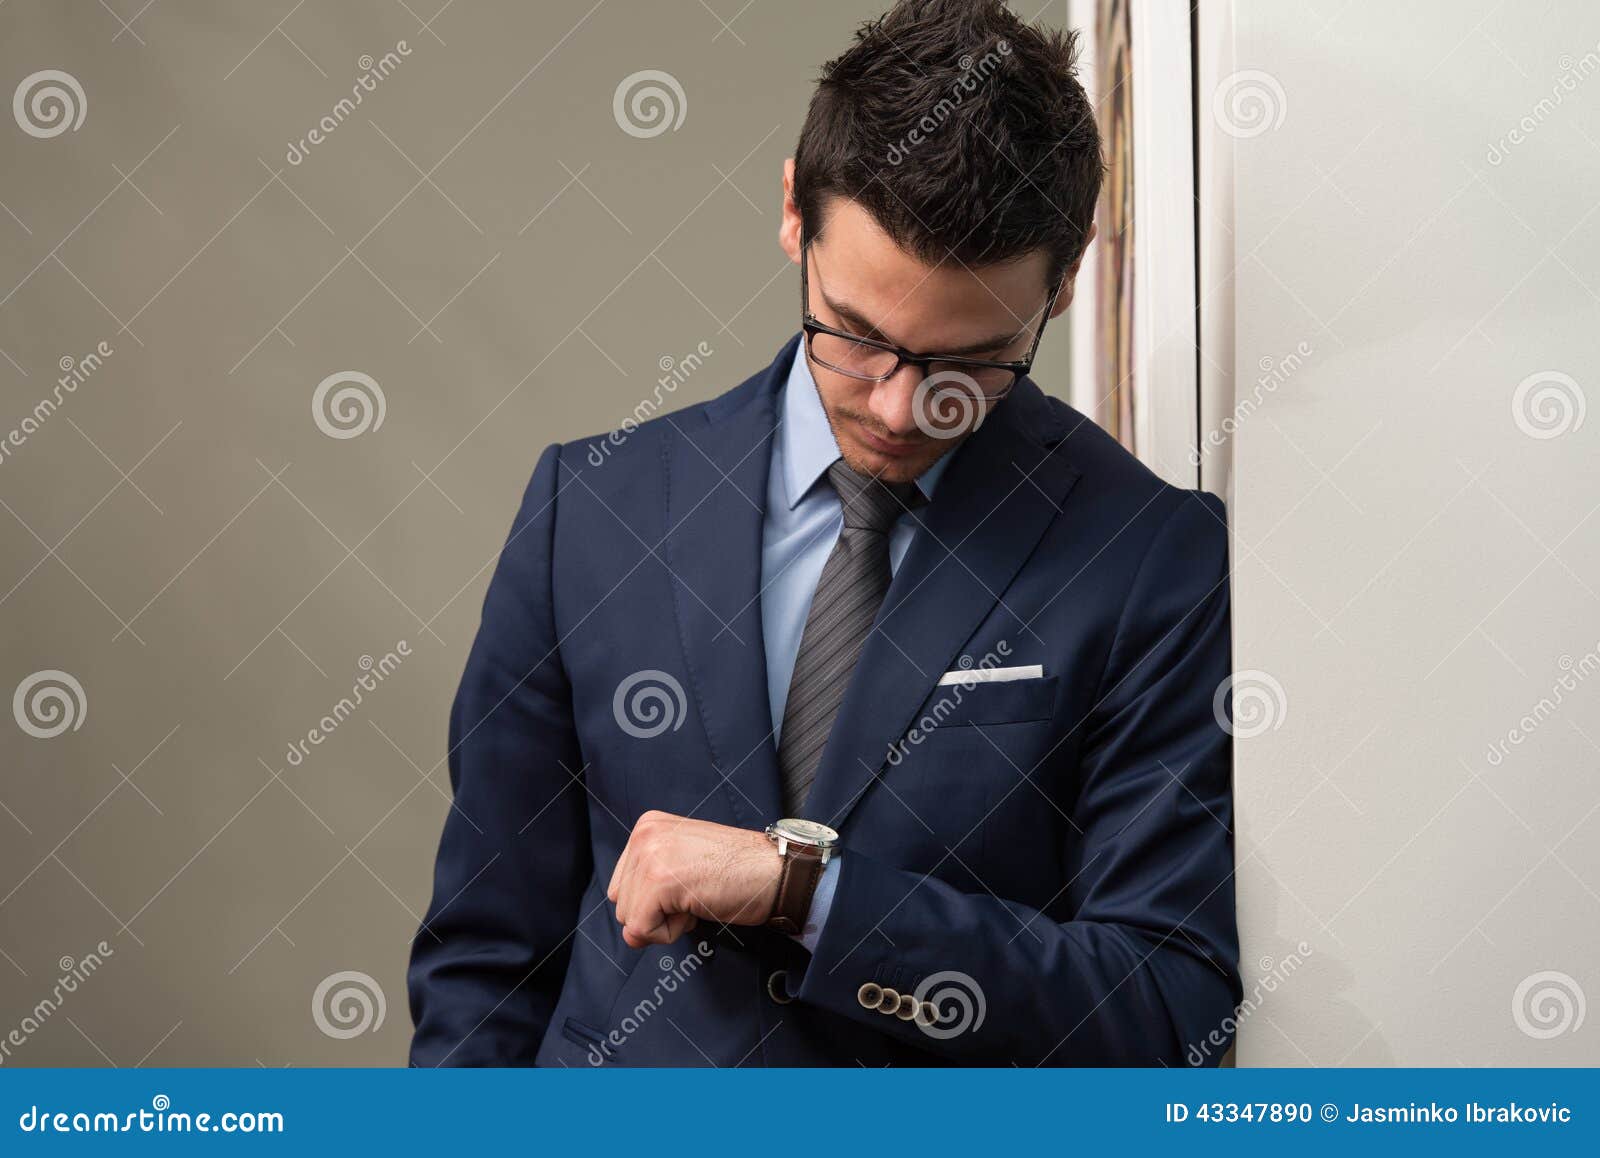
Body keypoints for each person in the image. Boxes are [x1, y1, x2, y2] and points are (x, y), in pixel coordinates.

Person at [409, 0, 1240, 1066]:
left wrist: (809, 895)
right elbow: (485, 962)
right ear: (794, 209)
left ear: (1068, 275)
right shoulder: (595, 509)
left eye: (971, 360)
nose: (900, 410)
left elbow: (1168, 1010)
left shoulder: (1150, 559)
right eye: (856, 338)